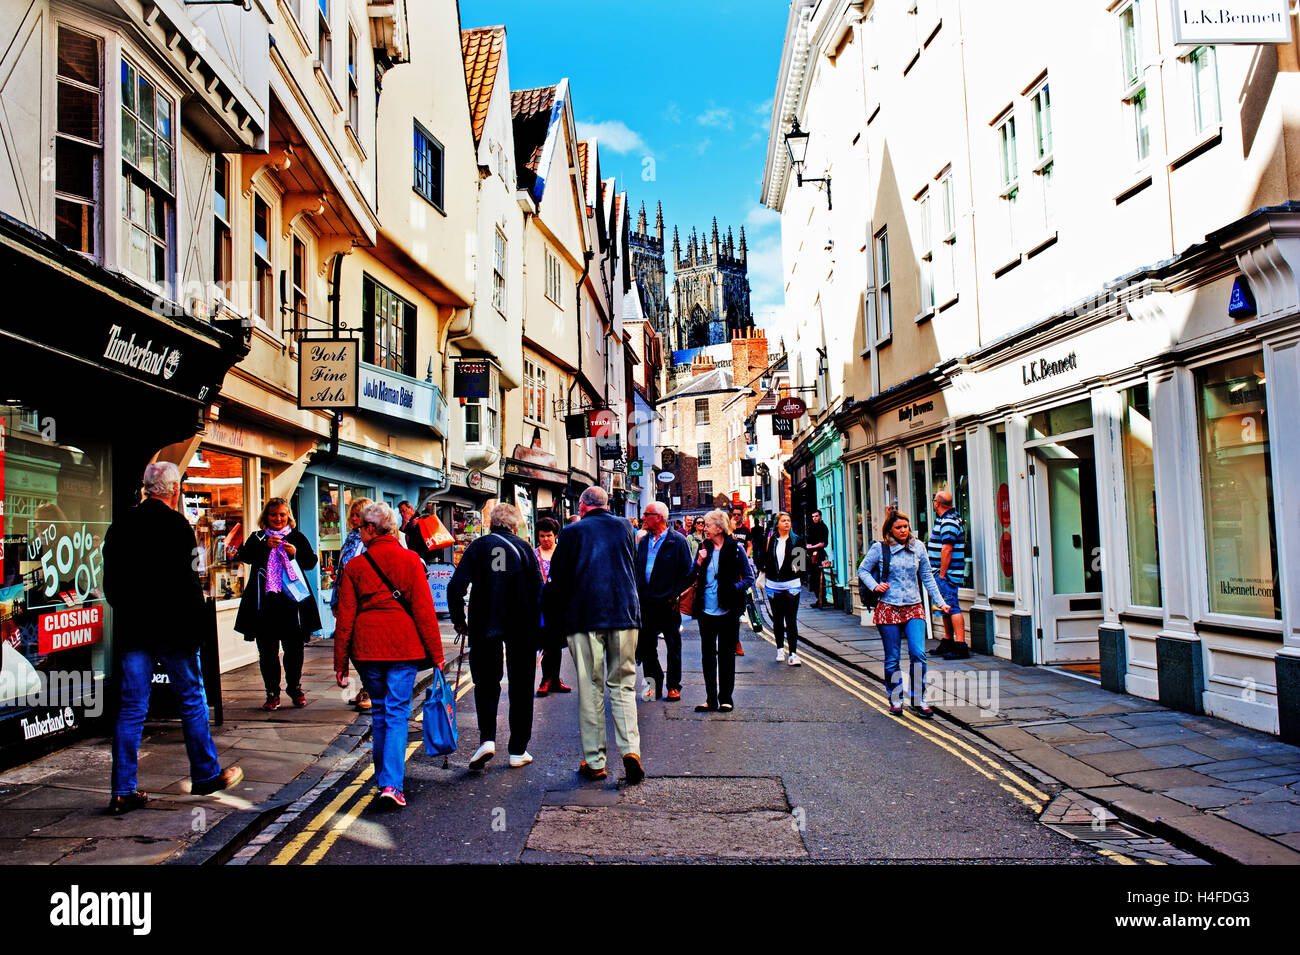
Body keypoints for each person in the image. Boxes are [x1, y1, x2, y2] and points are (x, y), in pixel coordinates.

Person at [103, 463, 243, 814]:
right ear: (174, 491)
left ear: (147, 489)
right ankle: (206, 775)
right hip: (175, 631)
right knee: (191, 700)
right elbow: (186, 584)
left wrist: (132, 611)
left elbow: (112, 587)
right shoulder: (178, 526)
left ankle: (122, 789)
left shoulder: (121, 524)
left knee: (133, 707)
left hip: (135, 630)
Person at [334, 503, 444, 807]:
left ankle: (385, 779)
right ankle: (391, 785)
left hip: (367, 650)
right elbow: (424, 612)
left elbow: (345, 619)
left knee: (381, 713)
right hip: (403, 648)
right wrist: (436, 654)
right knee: (396, 713)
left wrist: (340, 662)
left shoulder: (355, 567)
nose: (359, 533)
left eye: (360, 528)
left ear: (370, 529)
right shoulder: (410, 561)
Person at [544, 486, 644, 784]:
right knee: (623, 685)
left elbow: (558, 579)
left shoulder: (573, 532)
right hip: (625, 614)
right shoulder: (626, 527)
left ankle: (596, 761)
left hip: (586, 616)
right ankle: (631, 752)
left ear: (583, 507)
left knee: (590, 688)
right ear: (606, 505)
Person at [447, 504, 544, 771]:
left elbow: (455, 587)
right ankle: (517, 750)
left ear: (491, 524)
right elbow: (539, 591)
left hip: (483, 624)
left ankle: (487, 740)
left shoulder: (478, 546)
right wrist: (542, 631)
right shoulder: (524, 548)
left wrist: (459, 621)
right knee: (522, 686)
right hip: (521, 626)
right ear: (514, 527)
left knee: (486, 683)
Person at [857, 510, 950, 717]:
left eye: (905, 527)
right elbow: (862, 570)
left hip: (914, 606)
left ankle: (918, 699)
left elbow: (927, 577)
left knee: (919, 654)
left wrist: (941, 602)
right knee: (892, 659)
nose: (903, 531)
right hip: (889, 608)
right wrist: (875, 586)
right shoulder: (880, 549)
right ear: (890, 529)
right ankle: (896, 699)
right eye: (898, 527)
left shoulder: (918, 547)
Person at [234, 497, 321, 711]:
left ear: (288, 516)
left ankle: (294, 687)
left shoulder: (296, 536)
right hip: (265, 606)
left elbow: (310, 561)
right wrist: (265, 547)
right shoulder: (258, 537)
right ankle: (272, 692)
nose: (278, 519)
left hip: (292, 605)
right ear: (266, 517)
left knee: (294, 650)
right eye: (273, 515)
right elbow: (244, 556)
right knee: (267, 652)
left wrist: (295, 554)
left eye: (282, 515)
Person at [685, 509, 755, 713]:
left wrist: (733, 589)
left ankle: (725, 698)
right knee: (708, 655)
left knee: (726, 654)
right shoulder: (703, 547)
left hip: (728, 610)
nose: (704, 528)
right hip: (706, 610)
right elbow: (690, 576)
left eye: (707, 525)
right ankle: (710, 699)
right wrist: (698, 563)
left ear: (719, 527)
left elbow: (749, 578)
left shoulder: (736, 548)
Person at [634, 502, 692, 702]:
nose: (643, 518)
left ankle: (674, 686)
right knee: (646, 646)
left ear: (659, 517)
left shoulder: (678, 541)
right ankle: (653, 684)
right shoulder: (643, 542)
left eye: (646, 514)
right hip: (646, 603)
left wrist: (674, 595)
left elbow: (688, 573)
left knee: (672, 645)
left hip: (668, 603)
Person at [331, 496, 373, 712]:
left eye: (359, 515)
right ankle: (368, 687)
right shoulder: (350, 539)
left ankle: (369, 689)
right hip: (347, 600)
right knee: (352, 648)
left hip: (364, 601)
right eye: (353, 514)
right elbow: (341, 572)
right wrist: (335, 599)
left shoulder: (371, 540)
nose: (355, 518)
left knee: (362, 648)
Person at [929, 490, 969, 660]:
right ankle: (948, 641)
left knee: (952, 606)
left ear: (937, 503)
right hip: (943, 572)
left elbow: (947, 548)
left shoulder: (949, 521)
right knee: (945, 607)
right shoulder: (947, 519)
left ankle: (960, 645)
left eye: (933, 500)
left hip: (947, 573)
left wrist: (942, 574)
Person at [533, 517, 571, 696]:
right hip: (541, 605)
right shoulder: (534, 555)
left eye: (549, 535)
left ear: (556, 535)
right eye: (542, 536)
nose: (546, 539)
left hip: (559, 604)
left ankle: (553, 678)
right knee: (546, 641)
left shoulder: (563, 554)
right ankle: (546, 679)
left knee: (556, 642)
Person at [760, 512, 803, 667]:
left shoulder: (797, 540)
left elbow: (801, 563)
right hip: (773, 585)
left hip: (791, 585)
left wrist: (796, 571)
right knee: (777, 620)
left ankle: (793, 654)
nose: (786, 523)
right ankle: (780, 649)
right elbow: (763, 559)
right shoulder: (770, 541)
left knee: (791, 620)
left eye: (788, 520)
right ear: (777, 524)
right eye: (783, 521)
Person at [398, 499, 436, 565]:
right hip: (414, 557)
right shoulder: (405, 525)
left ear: (411, 509)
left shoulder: (423, 518)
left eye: (404, 511)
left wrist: (419, 523)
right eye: (400, 512)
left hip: (428, 555)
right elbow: (401, 538)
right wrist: (404, 524)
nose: (402, 514)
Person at [805, 510, 830, 608]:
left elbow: (823, 543)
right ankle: (818, 598)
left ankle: (822, 598)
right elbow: (808, 541)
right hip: (812, 555)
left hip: (819, 554)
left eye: (816, 516)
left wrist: (812, 547)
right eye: (813, 516)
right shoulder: (811, 527)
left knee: (819, 576)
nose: (814, 518)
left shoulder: (823, 528)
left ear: (820, 516)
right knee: (814, 577)